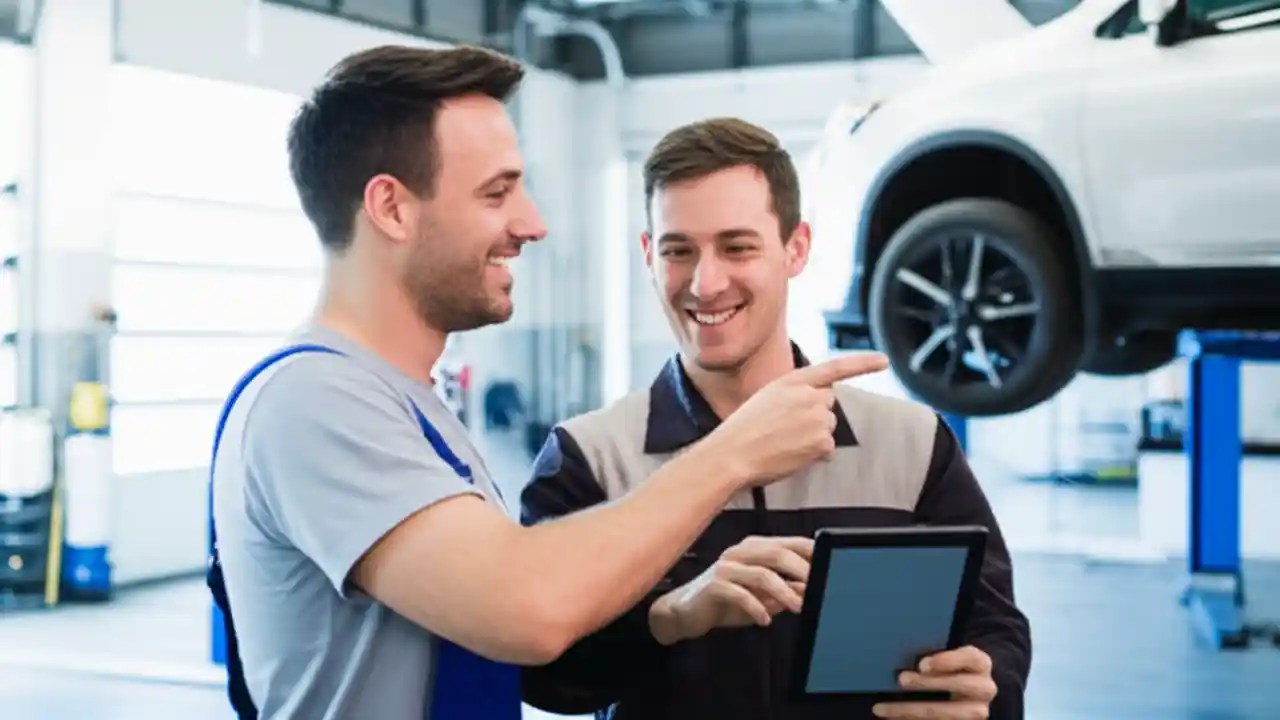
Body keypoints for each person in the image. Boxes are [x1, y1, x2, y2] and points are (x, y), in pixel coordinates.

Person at [207, 46, 889, 720]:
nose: (531, 224)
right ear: (391, 207)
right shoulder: (314, 402)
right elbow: (526, 609)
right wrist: (735, 450)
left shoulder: (406, 404)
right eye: (497, 192)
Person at [519, 117, 1033, 720]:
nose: (706, 283)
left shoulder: (913, 445)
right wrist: (667, 617)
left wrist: (986, 686)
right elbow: (543, 672)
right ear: (647, 256)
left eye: (737, 247)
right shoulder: (590, 456)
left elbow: (994, 626)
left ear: (797, 248)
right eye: (678, 250)